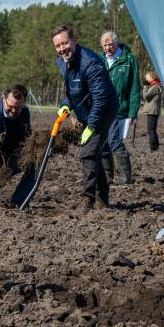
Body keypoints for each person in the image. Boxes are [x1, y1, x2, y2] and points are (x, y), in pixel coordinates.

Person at [52, 25, 117, 210]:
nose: (62, 48)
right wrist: (65, 104)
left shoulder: (91, 62)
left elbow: (100, 98)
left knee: (88, 152)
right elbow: (73, 89)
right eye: (58, 45)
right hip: (87, 110)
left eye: (65, 43)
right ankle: (102, 199)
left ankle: (87, 198)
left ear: (73, 41)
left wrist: (91, 126)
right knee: (94, 154)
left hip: (103, 110)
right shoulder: (63, 61)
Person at [99, 30, 140, 185]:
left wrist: (133, 111)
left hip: (119, 108)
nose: (108, 48)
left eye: (110, 44)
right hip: (101, 108)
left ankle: (125, 176)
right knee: (102, 142)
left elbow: (134, 87)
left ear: (116, 43)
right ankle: (108, 176)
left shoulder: (129, 60)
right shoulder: (99, 59)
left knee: (115, 140)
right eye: (105, 45)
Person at [140, 71, 163, 151]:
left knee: (151, 130)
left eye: (147, 77)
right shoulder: (155, 86)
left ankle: (153, 147)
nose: (146, 79)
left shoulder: (155, 87)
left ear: (152, 77)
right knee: (152, 129)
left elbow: (145, 96)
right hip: (152, 110)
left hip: (152, 111)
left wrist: (145, 86)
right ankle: (155, 146)